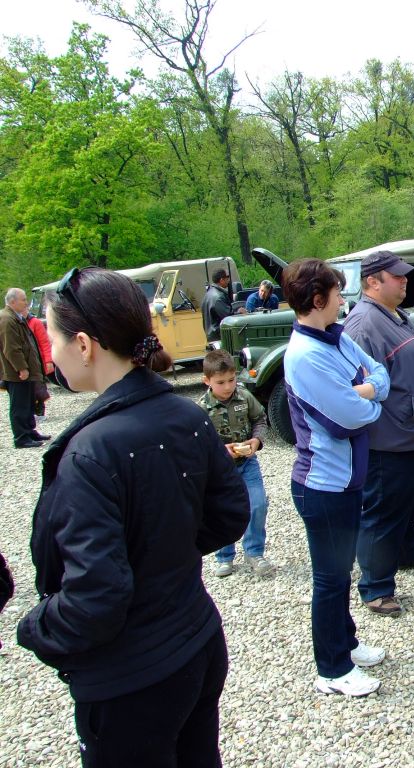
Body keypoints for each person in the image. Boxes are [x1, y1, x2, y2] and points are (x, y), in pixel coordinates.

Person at [17, 267, 250, 767]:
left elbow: (97, 595)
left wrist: (33, 627)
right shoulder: (184, 413)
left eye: (52, 339)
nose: (49, 353)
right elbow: (229, 514)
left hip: (135, 676)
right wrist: (162, 554)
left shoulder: (91, 451)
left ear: (84, 344)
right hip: (196, 641)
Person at [281, 258, 390, 697]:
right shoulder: (305, 355)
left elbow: (381, 375)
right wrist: (366, 396)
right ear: (316, 300)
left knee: (341, 571)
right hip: (322, 486)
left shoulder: (336, 338)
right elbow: (347, 418)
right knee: (329, 578)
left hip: (345, 482)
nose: (343, 300)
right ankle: (332, 670)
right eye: (337, 293)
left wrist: (364, 391)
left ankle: (345, 643)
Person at [343, 251, 414, 617]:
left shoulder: (397, 315)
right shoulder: (362, 326)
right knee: (383, 513)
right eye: (397, 276)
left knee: (410, 502)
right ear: (373, 281)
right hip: (391, 443)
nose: (405, 280)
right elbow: (355, 390)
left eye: (405, 275)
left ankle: (407, 551)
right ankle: (375, 588)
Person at [199, 348, 275, 579]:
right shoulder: (201, 408)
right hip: (220, 469)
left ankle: (254, 552)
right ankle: (224, 556)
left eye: (231, 380)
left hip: (248, 463)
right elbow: (198, 441)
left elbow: (260, 419)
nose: (228, 387)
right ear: (207, 381)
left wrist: (256, 440)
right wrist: (220, 451)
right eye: (220, 382)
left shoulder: (245, 397)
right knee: (222, 510)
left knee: (258, 504)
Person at [0, 288, 48, 448]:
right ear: (12, 302)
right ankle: (21, 437)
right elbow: (12, 348)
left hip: (25, 370)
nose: (26, 302)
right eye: (23, 299)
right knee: (19, 405)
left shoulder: (16, 317)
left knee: (27, 402)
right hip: (16, 373)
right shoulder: (7, 319)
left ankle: (29, 431)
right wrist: (22, 368)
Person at [25, 310, 53, 422]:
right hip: (23, 362)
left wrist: (48, 361)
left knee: (38, 388)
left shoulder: (35, 322)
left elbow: (44, 342)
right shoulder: (14, 322)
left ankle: (40, 412)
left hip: (37, 362)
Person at [201, 268, 232, 342]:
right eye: (227, 278)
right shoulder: (218, 297)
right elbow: (228, 317)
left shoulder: (208, 294)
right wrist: (240, 312)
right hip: (219, 337)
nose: (228, 281)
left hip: (211, 335)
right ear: (221, 280)